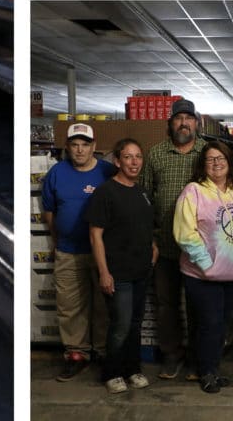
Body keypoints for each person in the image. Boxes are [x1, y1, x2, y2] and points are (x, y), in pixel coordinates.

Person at [41, 122, 117, 380]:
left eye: (85, 145)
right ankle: (77, 353)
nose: (80, 150)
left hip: (102, 254)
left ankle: (103, 352)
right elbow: (50, 212)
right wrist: (59, 239)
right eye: (74, 145)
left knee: (103, 306)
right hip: (68, 252)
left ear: (94, 147)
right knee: (70, 306)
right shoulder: (57, 173)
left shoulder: (107, 172)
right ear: (68, 147)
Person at [173, 140, 233, 394]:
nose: (216, 163)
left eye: (221, 158)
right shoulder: (193, 191)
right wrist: (207, 264)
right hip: (203, 275)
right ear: (203, 165)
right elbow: (185, 234)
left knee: (223, 324)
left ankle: (214, 368)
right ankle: (205, 371)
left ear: (229, 162)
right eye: (210, 159)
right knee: (209, 323)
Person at [141, 99, 206, 380]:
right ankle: (172, 354)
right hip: (165, 245)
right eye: (178, 118)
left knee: (197, 304)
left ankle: (196, 357)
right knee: (167, 304)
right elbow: (144, 197)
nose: (183, 123)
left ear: (196, 123)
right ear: (170, 123)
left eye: (188, 119)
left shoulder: (208, 153)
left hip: (199, 247)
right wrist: (150, 238)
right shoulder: (155, 154)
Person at [87, 138, 155, 395]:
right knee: (121, 325)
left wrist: (154, 246)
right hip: (118, 273)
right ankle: (112, 372)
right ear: (117, 161)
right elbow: (96, 235)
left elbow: (144, 225)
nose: (134, 162)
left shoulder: (142, 192)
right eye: (128, 157)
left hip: (140, 271)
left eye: (138, 156)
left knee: (135, 324)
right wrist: (104, 272)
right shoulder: (106, 192)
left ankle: (132, 368)